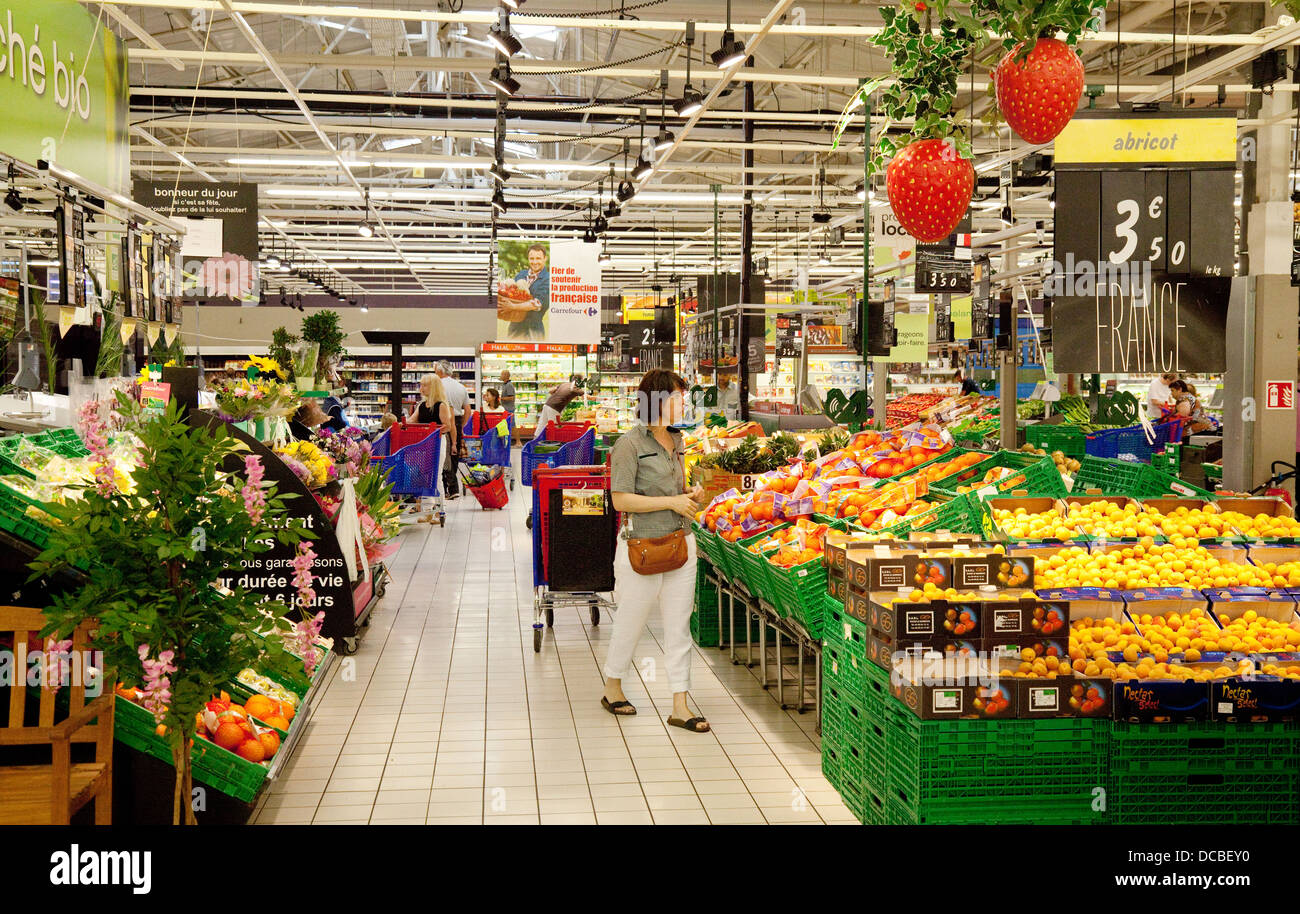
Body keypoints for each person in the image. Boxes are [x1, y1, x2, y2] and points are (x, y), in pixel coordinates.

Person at [601, 368, 710, 733]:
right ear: (658, 400)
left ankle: (680, 703)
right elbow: (620, 500)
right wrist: (672, 502)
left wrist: (692, 496)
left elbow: (677, 492)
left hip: (681, 543)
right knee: (631, 621)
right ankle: (613, 685)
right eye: (679, 396)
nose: (684, 403)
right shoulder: (629, 445)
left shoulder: (678, 441)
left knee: (679, 628)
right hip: (641, 547)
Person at [405, 374, 455, 522]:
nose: (421, 388)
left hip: (438, 443)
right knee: (423, 476)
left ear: (433, 387)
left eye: (424, 385)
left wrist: (432, 430)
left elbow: (448, 426)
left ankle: (441, 511)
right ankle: (429, 510)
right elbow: (411, 420)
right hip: (423, 445)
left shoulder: (441, 405)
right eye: (420, 385)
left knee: (436, 476)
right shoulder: (421, 405)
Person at [435, 361, 470, 498]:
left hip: (442, 421)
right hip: (457, 420)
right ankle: (453, 487)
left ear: (440, 371)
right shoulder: (460, 387)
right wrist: (463, 425)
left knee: (444, 454)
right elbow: (467, 410)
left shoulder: (437, 386)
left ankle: (447, 487)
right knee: (454, 455)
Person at [507, 244, 550, 341]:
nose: (535, 262)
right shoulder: (521, 274)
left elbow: (536, 304)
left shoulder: (548, 279)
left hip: (534, 331)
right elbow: (511, 293)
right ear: (528, 258)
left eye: (538, 258)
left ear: (545, 258)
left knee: (537, 356)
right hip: (514, 329)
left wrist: (512, 307)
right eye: (532, 258)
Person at [532, 374, 584, 440]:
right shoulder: (575, 389)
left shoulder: (564, 384)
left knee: (542, 423)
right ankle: (552, 443)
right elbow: (585, 396)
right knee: (554, 426)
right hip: (555, 407)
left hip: (548, 404)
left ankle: (535, 440)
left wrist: (560, 396)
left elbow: (551, 391)